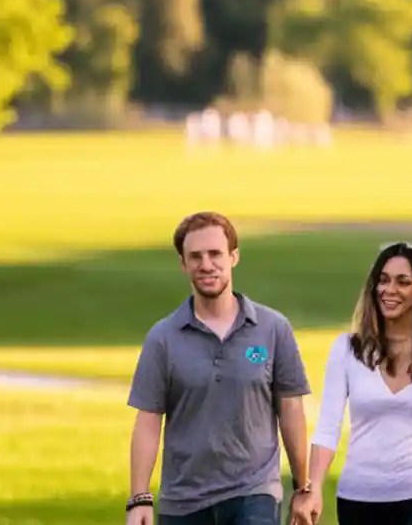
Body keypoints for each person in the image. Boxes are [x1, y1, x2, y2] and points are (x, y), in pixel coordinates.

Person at [125, 211, 312, 525]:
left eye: (215, 254)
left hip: (254, 493)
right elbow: (148, 420)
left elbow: (291, 409)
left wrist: (303, 487)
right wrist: (139, 498)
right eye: (195, 257)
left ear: (233, 257)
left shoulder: (273, 328)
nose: (206, 265)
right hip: (183, 502)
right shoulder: (163, 337)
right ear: (183, 264)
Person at [293, 242, 412, 525]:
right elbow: (328, 426)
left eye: (403, 282)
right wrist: (314, 487)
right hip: (360, 499)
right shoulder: (346, 350)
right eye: (384, 280)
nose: (390, 290)